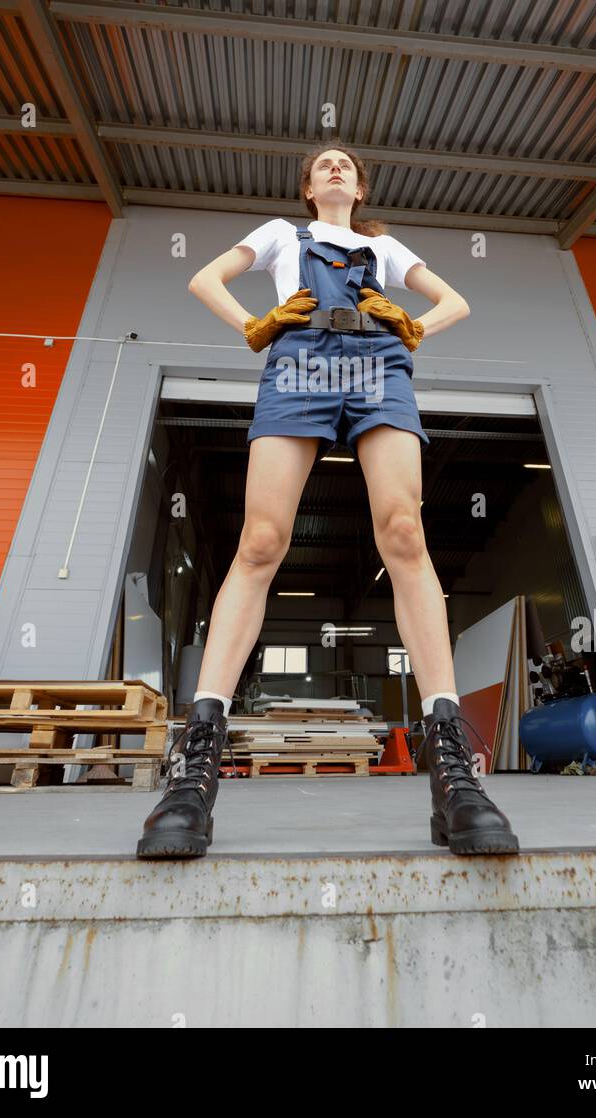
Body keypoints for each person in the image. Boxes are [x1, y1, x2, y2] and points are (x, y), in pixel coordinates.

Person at [136, 144, 519, 859]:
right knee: (260, 542)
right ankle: (193, 774)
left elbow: (456, 302)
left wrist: (412, 325)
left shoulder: (385, 245)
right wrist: (258, 323)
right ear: (309, 187)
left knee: (404, 533)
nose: (336, 169)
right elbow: (204, 277)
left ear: (360, 186)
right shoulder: (284, 235)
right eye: (324, 165)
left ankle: (455, 778)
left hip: (380, 366)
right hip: (301, 361)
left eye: (347, 164)